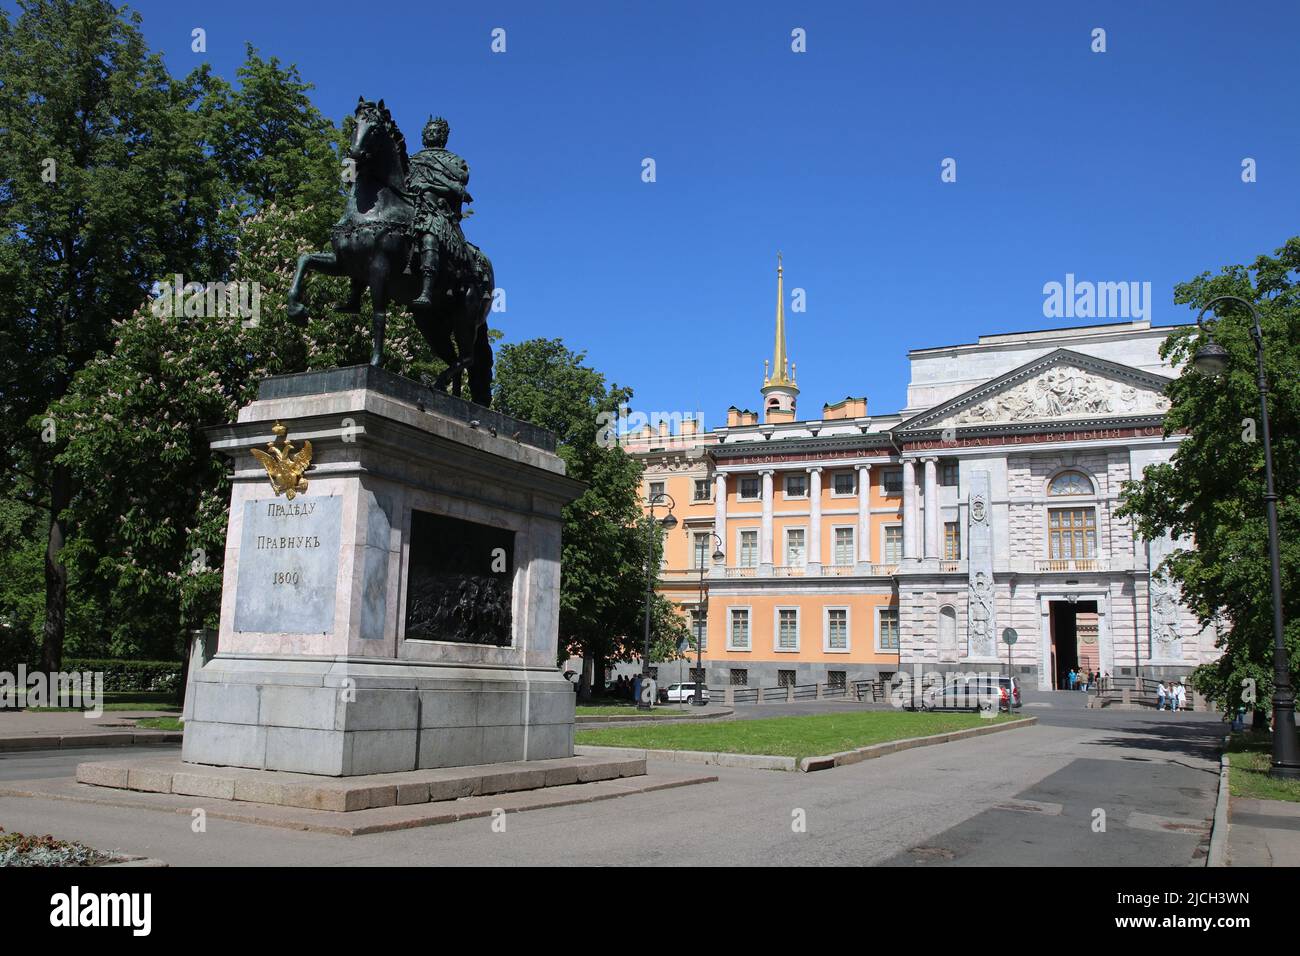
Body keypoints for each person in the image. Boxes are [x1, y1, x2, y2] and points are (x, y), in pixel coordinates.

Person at [407, 116, 474, 308]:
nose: (430, 133)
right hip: (412, 208)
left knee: (430, 236)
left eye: (435, 131)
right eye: (427, 131)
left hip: (437, 212)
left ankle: (427, 291)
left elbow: (457, 188)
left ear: (443, 136)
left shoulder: (454, 161)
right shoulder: (412, 160)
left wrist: (428, 185)